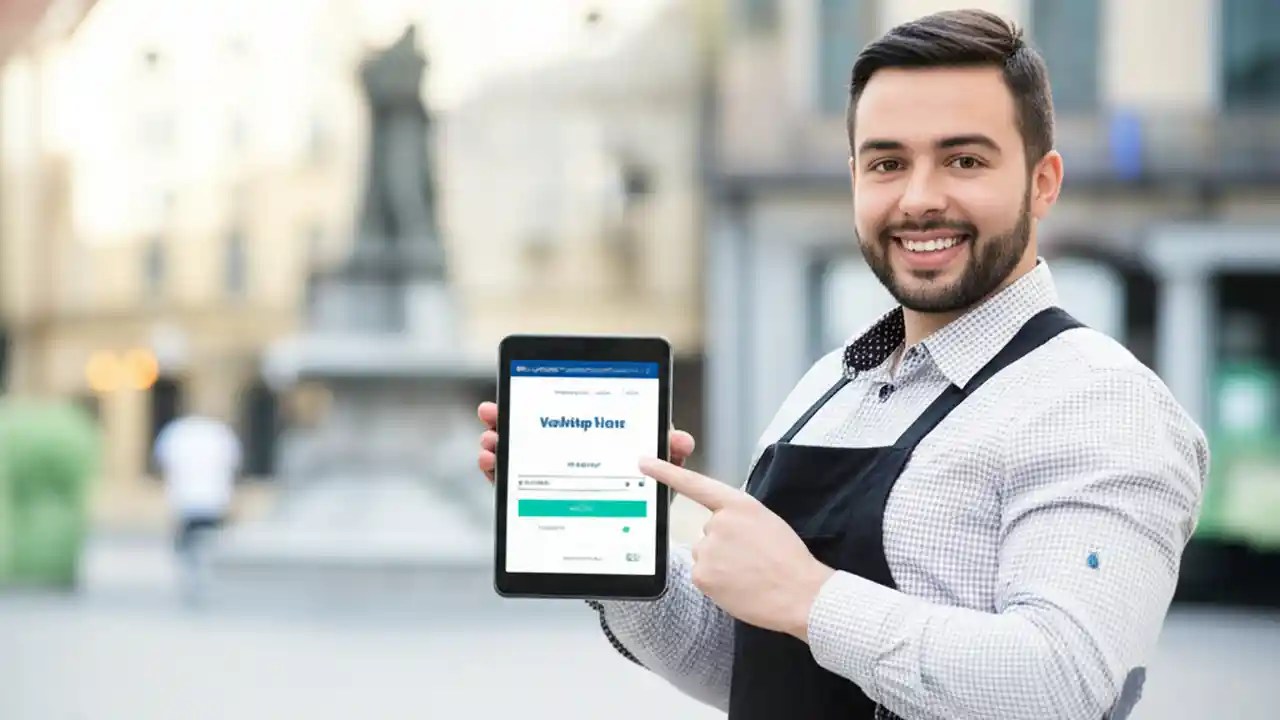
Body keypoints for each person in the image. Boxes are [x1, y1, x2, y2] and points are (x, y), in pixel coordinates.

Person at [478, 9, 1208, 720]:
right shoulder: (829, 383)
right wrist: (615, 542)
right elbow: (748, 663)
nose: (920, 199)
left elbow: (1064, 686)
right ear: (855, 177)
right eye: (888, 163)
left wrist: (809, 596)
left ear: (1043, 182)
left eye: (964, 160)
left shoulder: (1100, 401)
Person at [153, 414, 242, 569]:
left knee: (188, 551)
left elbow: (161, 465)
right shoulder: (220, 433)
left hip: (185, 502)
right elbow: (235, 468)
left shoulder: (176, 432)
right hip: (215, 502)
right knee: (210, 549)